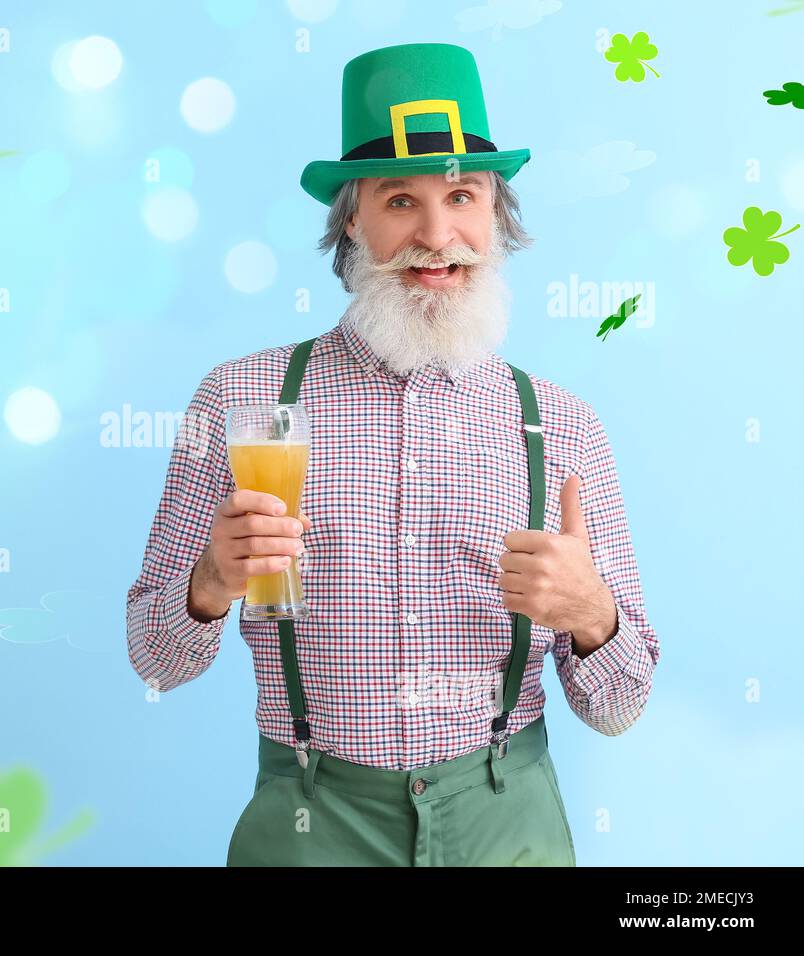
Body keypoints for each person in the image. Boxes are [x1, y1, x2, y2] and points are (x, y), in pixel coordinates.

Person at [126, 43, 661, 866]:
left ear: (496, 215)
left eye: (461, 195)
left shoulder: (562, 425)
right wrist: (207, 584)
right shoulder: (243, 400)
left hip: (506, 822)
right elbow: (152, 657)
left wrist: (594, 617)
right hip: (311, 823)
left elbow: (622, 706)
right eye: (401, 200)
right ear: (353, 218)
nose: (437, 235)